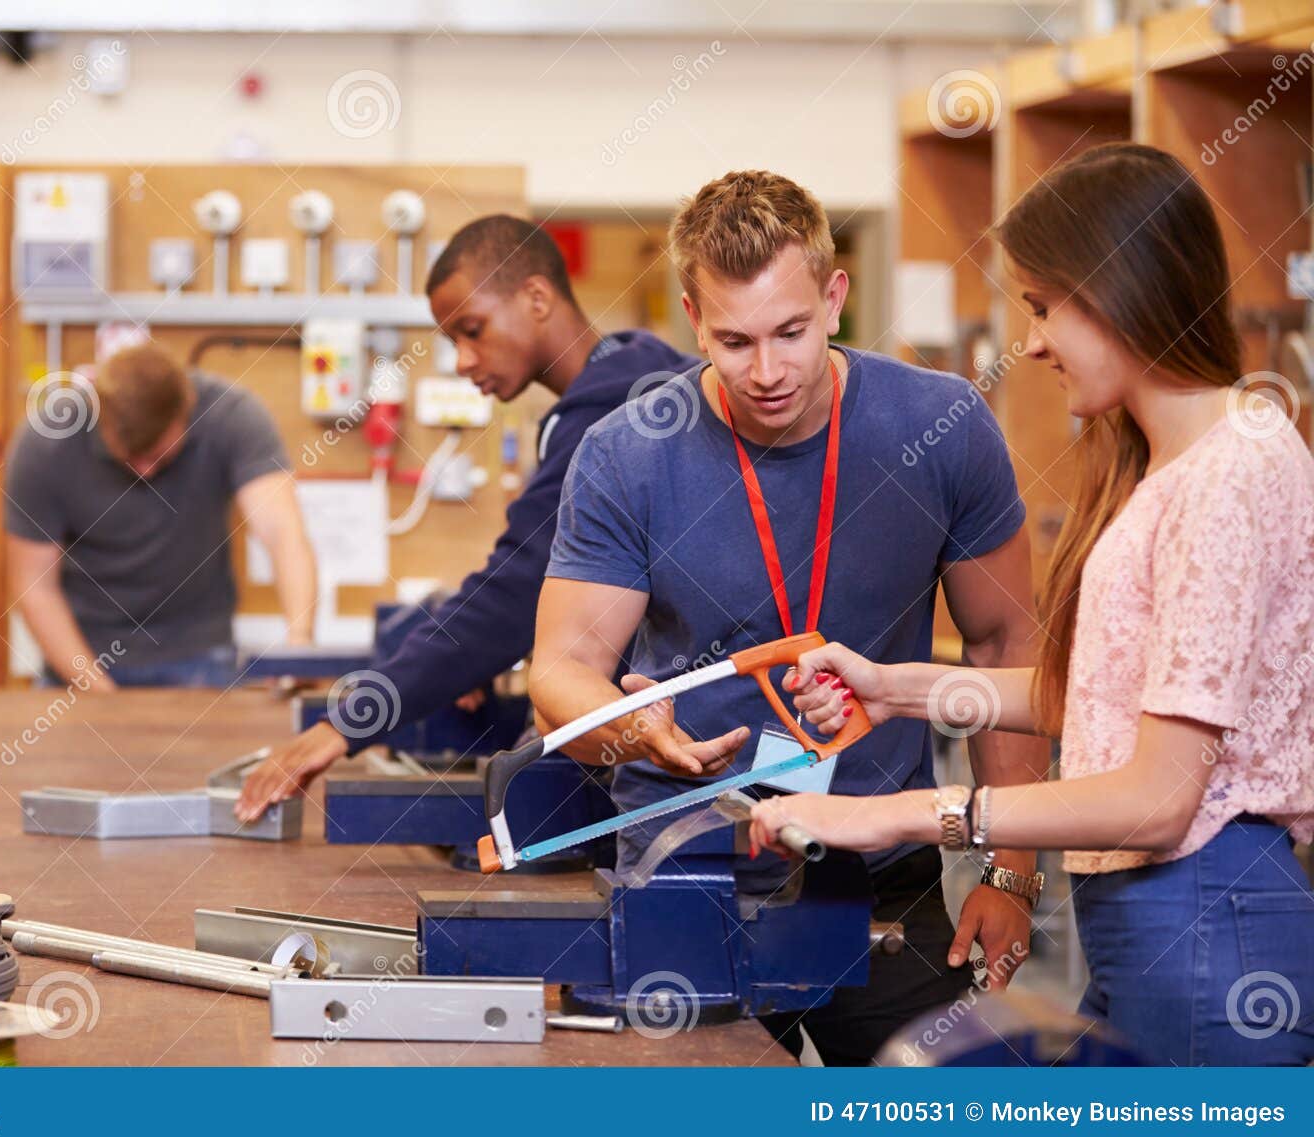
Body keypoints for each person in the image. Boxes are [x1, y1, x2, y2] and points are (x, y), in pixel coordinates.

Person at [749, 143, 1314, 1067]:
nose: (1038, 340)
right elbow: (1102, 703)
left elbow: (1161, 797)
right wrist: (894, 687)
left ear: (1122, 288)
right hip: (1151, 923)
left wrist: (903, 815)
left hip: (1207, 922)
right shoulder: (1167, 465)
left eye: (1047, 308)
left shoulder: (1229, 471)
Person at [529, 170, 1048, 1065]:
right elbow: (559, 671)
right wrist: (626, 730)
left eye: (790, 333)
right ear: (692, 316)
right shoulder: (628, 452)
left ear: (836, 297)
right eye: (733, 341)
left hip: (885, 875)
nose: (766, 372)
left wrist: (1014, 873)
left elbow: (1005, 642)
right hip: (687, 876)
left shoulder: (944, 428)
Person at [235, 215, 700, 822]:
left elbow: (513, 595)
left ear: (537, 297)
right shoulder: (630, 379)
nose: (461, 360)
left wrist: (346, 723)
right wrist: (470, 651)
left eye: (472, 330)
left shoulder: (608, 415)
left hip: (685, 753)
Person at [5, 342, 317, 689]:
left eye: (156, 454)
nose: (145, 470)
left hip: (199, 657)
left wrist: (300, 644)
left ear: (186, 410)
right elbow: (35, 587)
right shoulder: (46, 443)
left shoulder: (232, 416)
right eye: (131, 455)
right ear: (100, 417)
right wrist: (98, 692)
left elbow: (282, 534)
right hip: (80, 657)